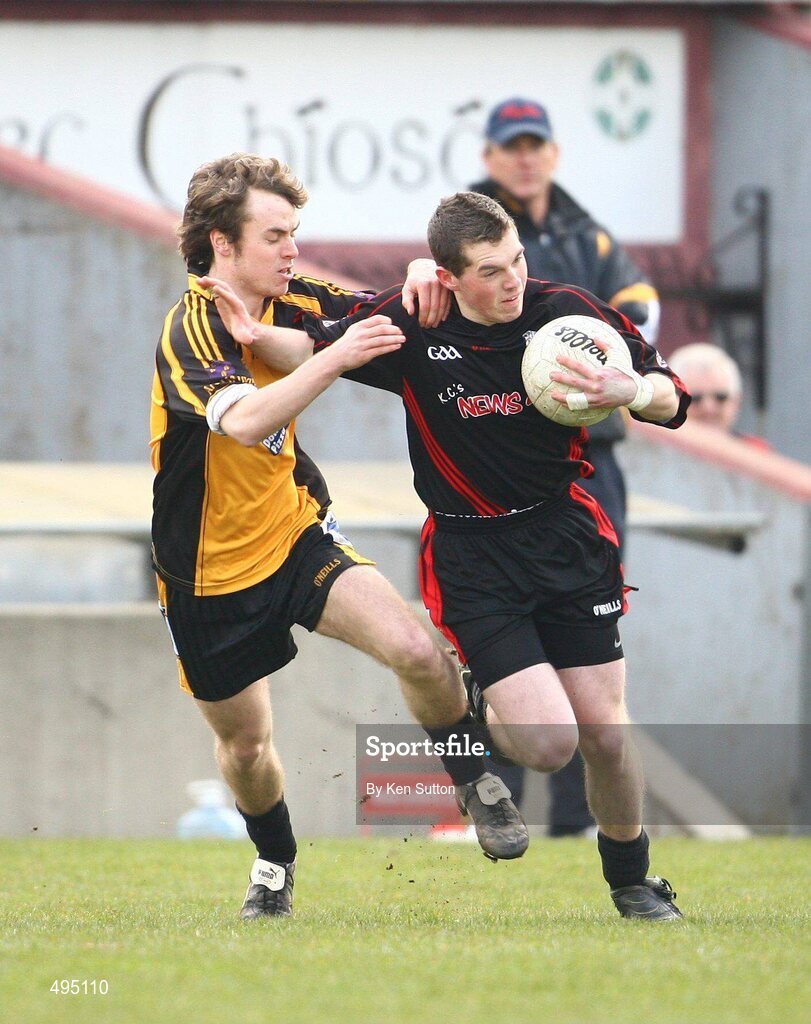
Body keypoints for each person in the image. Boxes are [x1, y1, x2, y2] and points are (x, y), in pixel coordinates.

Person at [277, 191, 690, 920]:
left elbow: (671, 393)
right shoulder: (414, 320)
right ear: (449, 276)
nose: (512, 281)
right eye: (491, 271)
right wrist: (245, 326)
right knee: (547, 744)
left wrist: (632, 389)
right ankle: (475, 707)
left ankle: (630, 879)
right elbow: (309, 345)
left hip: (565, 535)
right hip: (471, 551)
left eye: (517, 261)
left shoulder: (565, 312)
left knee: (604, 730)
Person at [150, 156, 527, 920]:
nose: (292, 251)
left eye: (295, 234)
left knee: (418, 651)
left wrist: (431, 271)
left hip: (293, 535)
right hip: (205, 574)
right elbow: (247, 420)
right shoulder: (189, 325)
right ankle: (273, 861)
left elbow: (394, 310)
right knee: (248, 747)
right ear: (223, 243)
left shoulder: (298, 299)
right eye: (275, 236)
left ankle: (471, 776)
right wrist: (334, 357)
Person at [469, 97, 662, 835]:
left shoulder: (590, 236)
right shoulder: (465, 229)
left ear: (552, 153)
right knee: (506, 630)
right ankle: (499, 801)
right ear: (489, 157)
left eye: (535, 144)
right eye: (510, 146)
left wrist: (611, 354)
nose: (524, 157)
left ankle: (581, 819)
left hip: (590, 463)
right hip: (496, 461)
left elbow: (640, 314)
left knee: (588, 630)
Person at [668, 343, 769, 448]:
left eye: (720, 397)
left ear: (737, 401)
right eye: (695, 398)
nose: (708, 408)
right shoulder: (658, 451)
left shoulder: (755, 453)